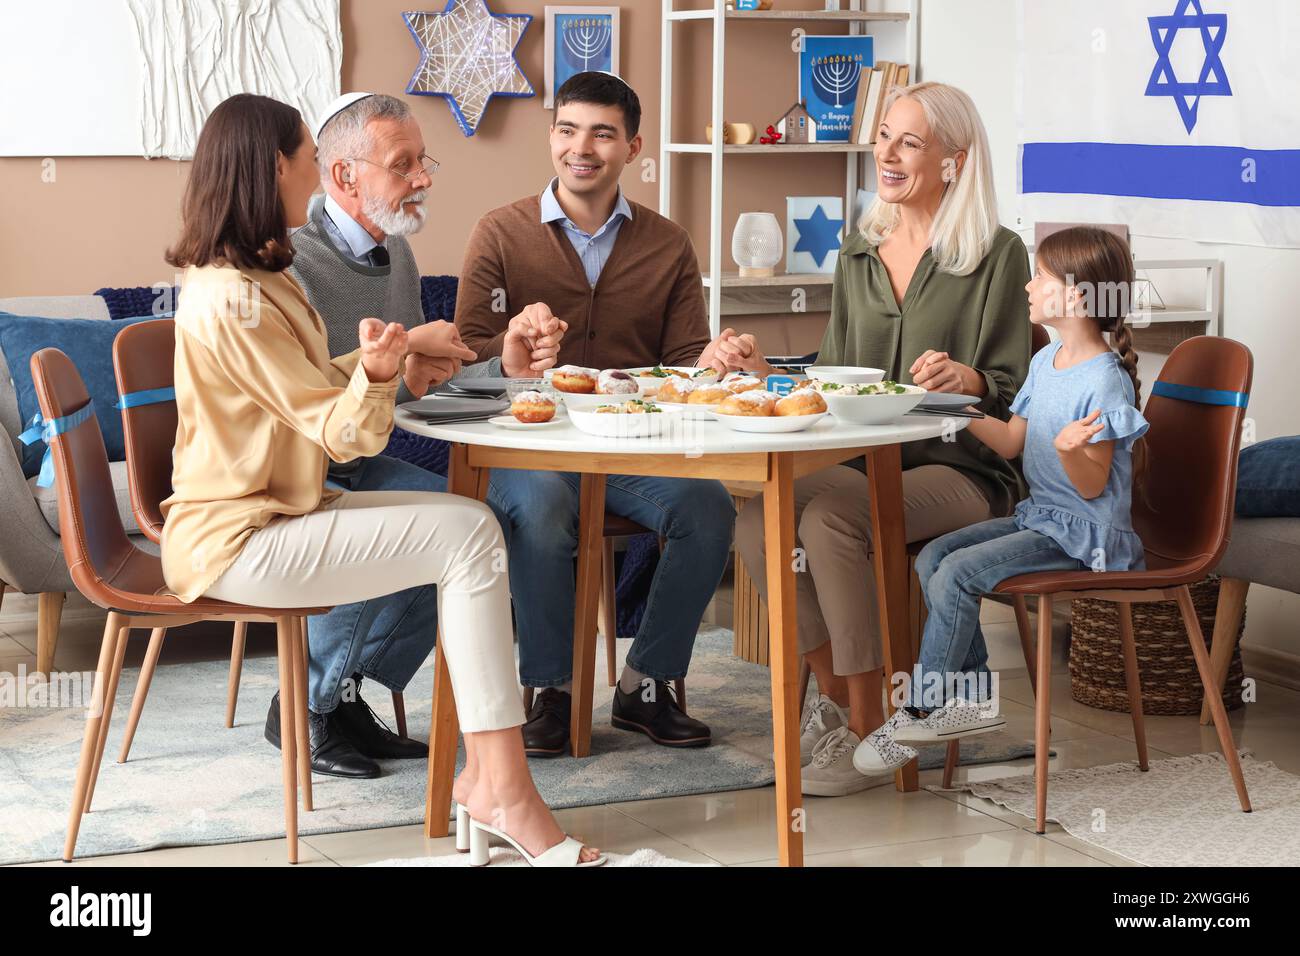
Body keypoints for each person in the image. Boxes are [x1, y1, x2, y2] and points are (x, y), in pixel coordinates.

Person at [160, 92, 601, 865]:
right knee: (466, 532)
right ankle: (496, 782)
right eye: (302, 161)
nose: (306, 183)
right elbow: (338, 426)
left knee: (469, 526)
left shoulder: (258, 278)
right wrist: (374, 371)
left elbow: (310, 385)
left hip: (284, 506)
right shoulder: (236, 297)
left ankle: (493, 777)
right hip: (243, 534)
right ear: (285, 169)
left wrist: (396, 363)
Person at [731, 82, 1033, 796]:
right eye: (883, 137)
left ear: (954, 161)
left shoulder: (998, 254)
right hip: (869, 462)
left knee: (832, 518)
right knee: (756, 513)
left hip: (966, 470)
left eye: (909, 142)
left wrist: (968, 377)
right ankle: (837, 705)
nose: (887, 155)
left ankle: (872, 728)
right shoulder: (859, 250)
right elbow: (836, 374)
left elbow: (1016, 391)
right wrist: (765, 371)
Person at [276, 92, 567, 779]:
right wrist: (393, 365)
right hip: (303, 473)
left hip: (357, 459)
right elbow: (299, 404)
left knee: (480, 522)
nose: (424, 178)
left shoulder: (394, 252)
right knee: (439, 522)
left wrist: (505, 365)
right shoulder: (289, 264)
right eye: (403, 165)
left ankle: (346, 689)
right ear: (345, 178)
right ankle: (305, 707)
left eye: (422, 161)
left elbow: (411, 384)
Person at [455, 72, 745, 757]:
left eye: (602, 133)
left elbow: (683, 361)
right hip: (522, 444)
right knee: (546, 510)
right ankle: (551, 692)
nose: (580, 148)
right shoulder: (499, 233)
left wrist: (716, 361)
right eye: (567, 129)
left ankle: (647, 682)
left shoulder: (668, 244)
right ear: (552, 136)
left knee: (708, 509)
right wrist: (511, 347)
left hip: (626, 445)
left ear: (633, 146)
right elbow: (463, 358)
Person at [868, 225, 1149, 756]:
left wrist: (1071, 450)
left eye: (1038, 276)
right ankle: (971, 701)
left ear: (1076, 295)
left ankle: (923, 708)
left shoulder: (1105, 380)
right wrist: (954, 410)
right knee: (932, 557)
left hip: (1084, 537)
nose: (1026, 286)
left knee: (956, 573)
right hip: (1041, 519)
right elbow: (1013, 442)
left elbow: (1092, 489)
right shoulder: (1046, 362)